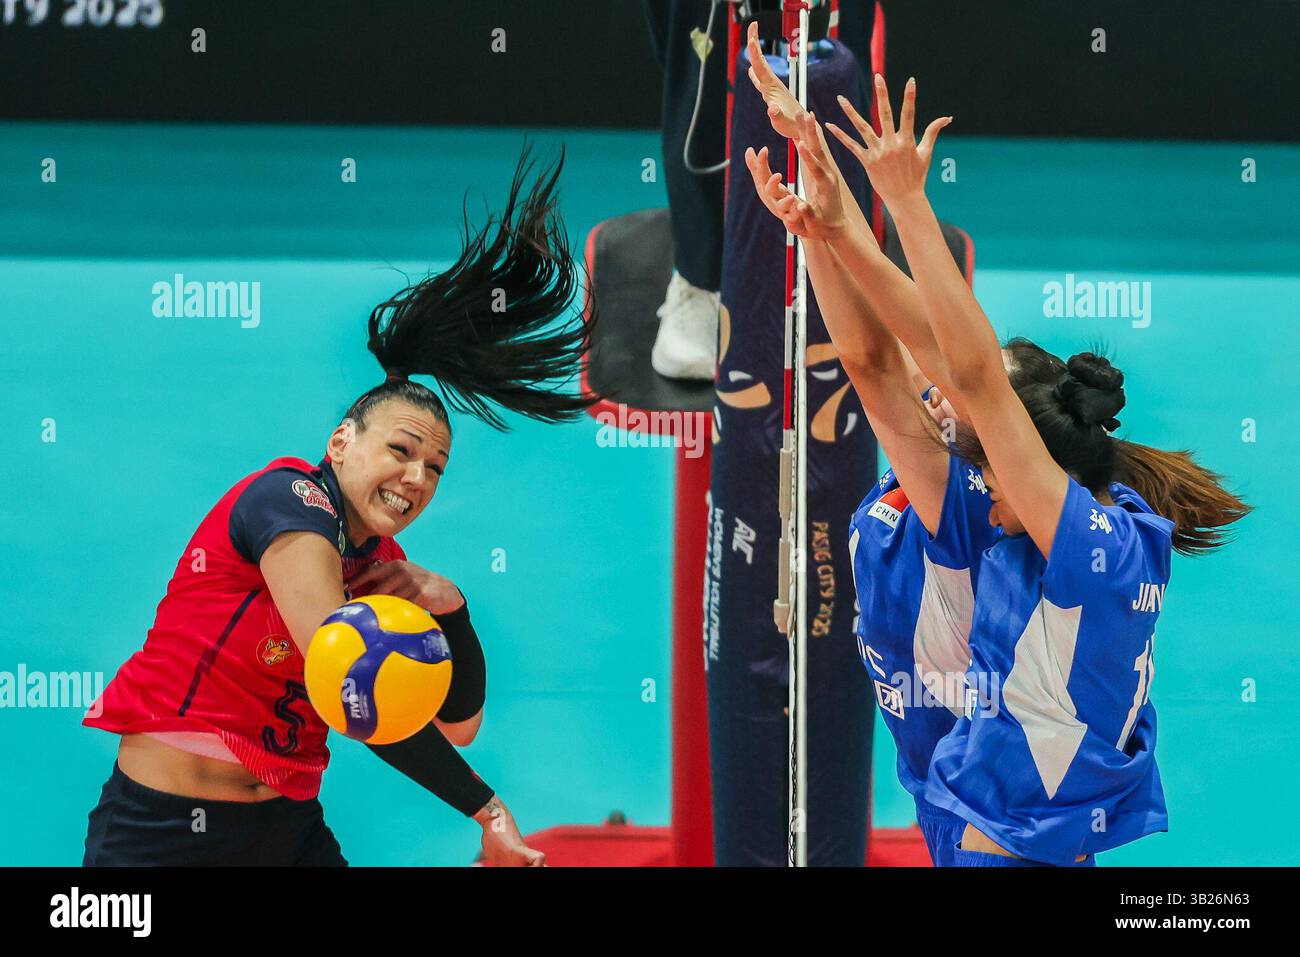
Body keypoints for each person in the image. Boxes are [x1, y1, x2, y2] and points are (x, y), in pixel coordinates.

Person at [82, 149, 596, 867]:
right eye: (401, 449)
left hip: (286, 832)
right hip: (164, 833)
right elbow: (346, 681)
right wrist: (487, 807)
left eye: (435, 467)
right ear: (341, 442)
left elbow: (459, 724)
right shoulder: (286, 500)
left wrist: (450, 606)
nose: (416, 476)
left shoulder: (384, 568)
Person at [793, 74, 1250, 864]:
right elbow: (952, 370)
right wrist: (837, 232)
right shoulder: (1117, 521)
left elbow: (959, 377)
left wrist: (904, 201)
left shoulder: (1082, 547)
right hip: (1034, 825)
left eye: (996, 472)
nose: (990, 494)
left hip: (1010, 838)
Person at [741, 25, 1065, 864]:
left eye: (960, 382)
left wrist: (878, 208)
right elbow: (874, 360)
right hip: (966, 815)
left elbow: (897, 366)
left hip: (1009, 834)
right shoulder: (976, 489)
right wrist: (819, 216)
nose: (939, 381)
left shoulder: (977, 515)